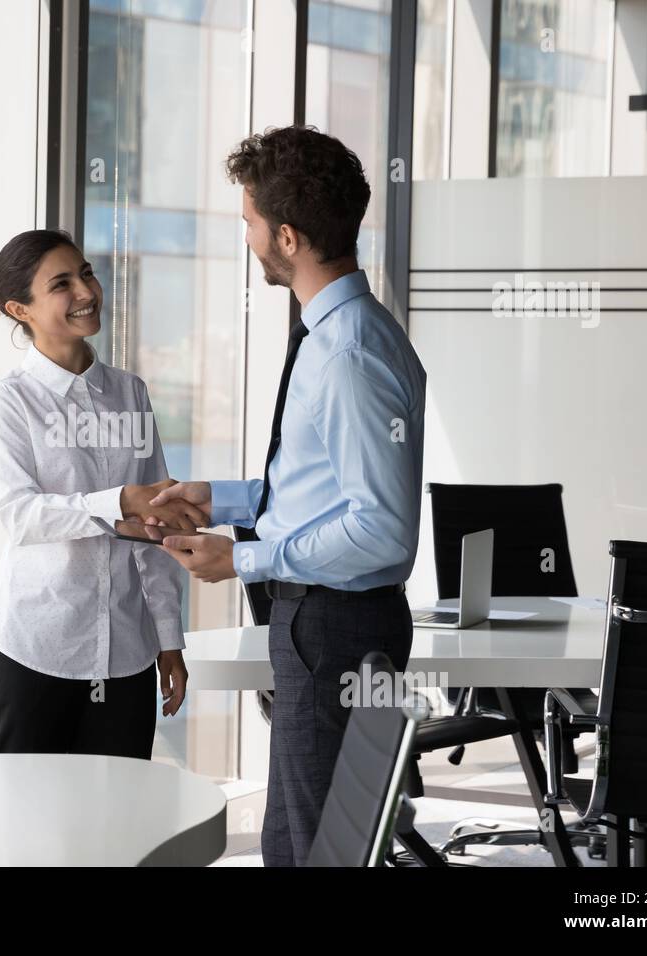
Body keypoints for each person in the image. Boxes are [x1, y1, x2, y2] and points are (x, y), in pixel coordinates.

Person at [152, 126, 427, 865]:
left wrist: (243, 558)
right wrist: (226, 500)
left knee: (320, 852)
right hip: (325, 626)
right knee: (294, 844)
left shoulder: (345, 354)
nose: (244, 236)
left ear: (285, 235)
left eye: (247, 222)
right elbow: (327, 490)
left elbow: (383, 531)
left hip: (332, 629)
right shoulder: (346, 333)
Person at [0, 229, 201, 759]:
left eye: (87, 273)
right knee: (20, 830)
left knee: (116, 831)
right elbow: (21, 516)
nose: (86, 291)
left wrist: (169, 636)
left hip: (126, 657)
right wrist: (119, 500)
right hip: (31, 655)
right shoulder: (9, 402)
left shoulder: (130, 393)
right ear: (19, 309)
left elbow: (158, 525)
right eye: (62, 283)